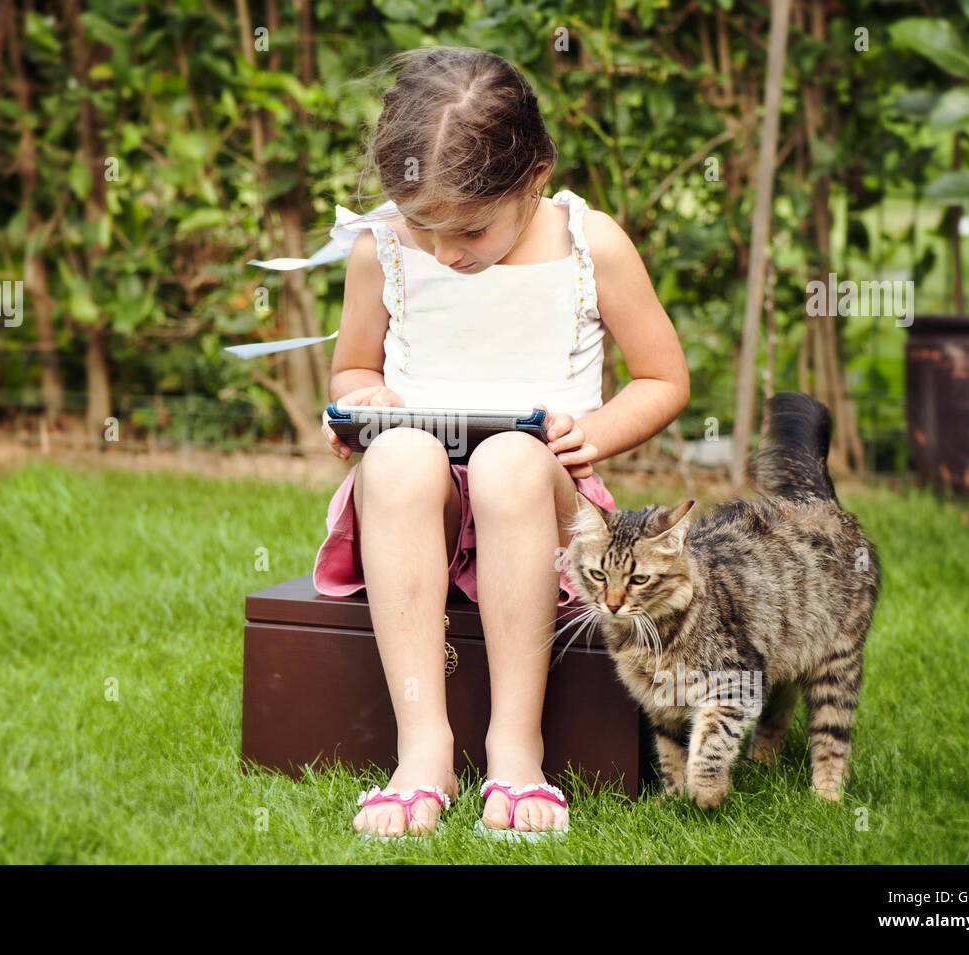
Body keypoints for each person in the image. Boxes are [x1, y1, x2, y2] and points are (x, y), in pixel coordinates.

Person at [283, 47, 689, 839]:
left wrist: (591, 432)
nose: (443, 252)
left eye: (467, 229)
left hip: (543, 497)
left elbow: (663, 379)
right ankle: (422, 747)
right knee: (399, 452)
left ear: (536, 175)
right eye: (423, 225)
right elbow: (352, 367)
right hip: (417, 502)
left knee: (509, 459)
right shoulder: (383, 249)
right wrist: (360, 402)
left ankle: (515, 745)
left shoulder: (590, 245)